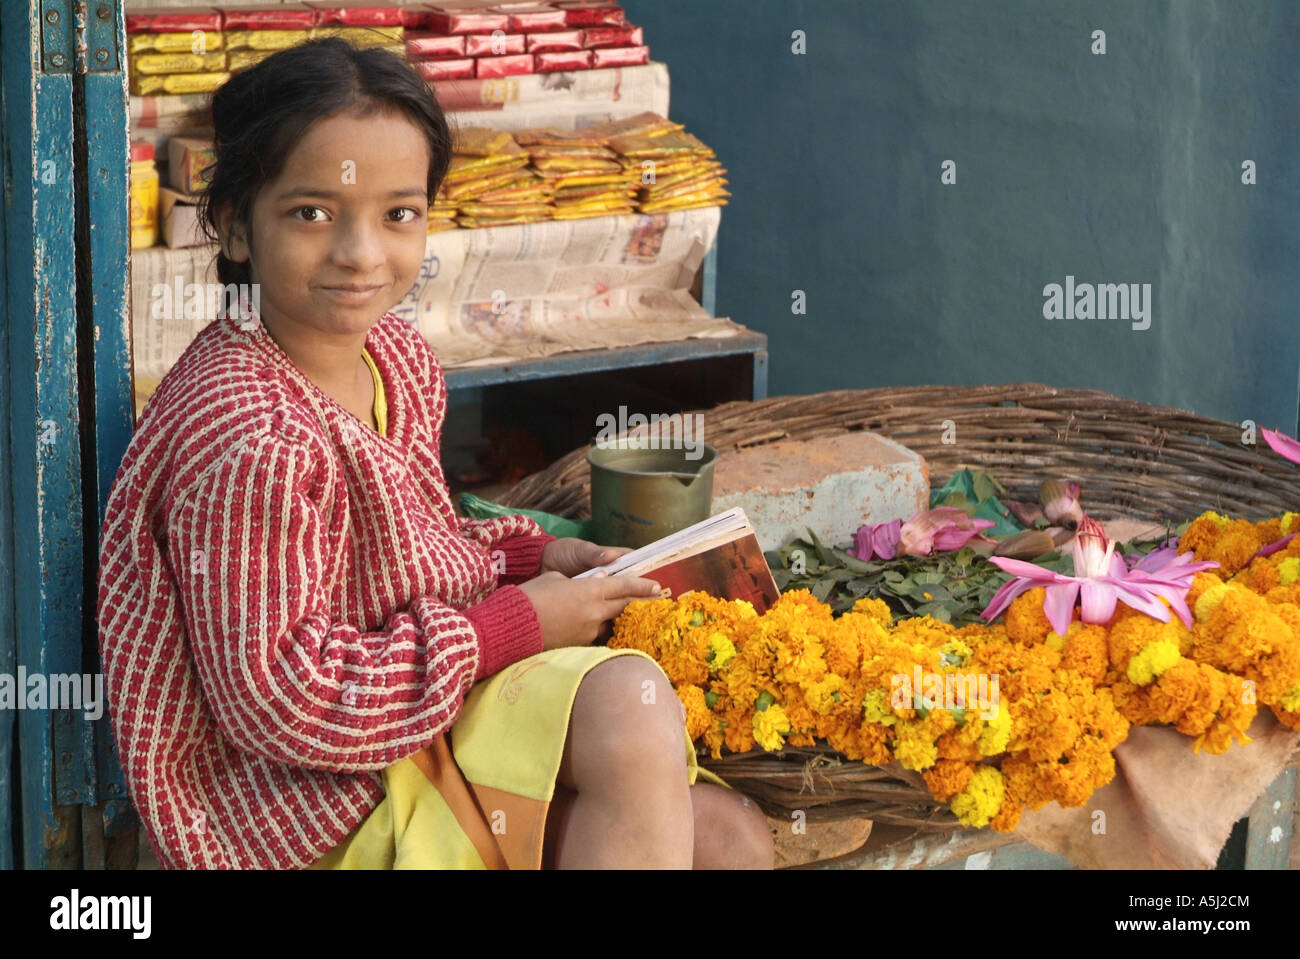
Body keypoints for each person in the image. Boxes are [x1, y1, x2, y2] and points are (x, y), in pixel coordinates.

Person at [97, 38, 773, 870]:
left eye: (398, 214)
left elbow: (409, 544)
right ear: (235, 222)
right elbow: (279, 702)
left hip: (409, 720)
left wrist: (537, 553)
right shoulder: (248, 436)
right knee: (629, 705)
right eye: (312, 212)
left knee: (735, 838)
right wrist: (511, 627)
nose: (361, 253)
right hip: (300, 798)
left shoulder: (395, 360)